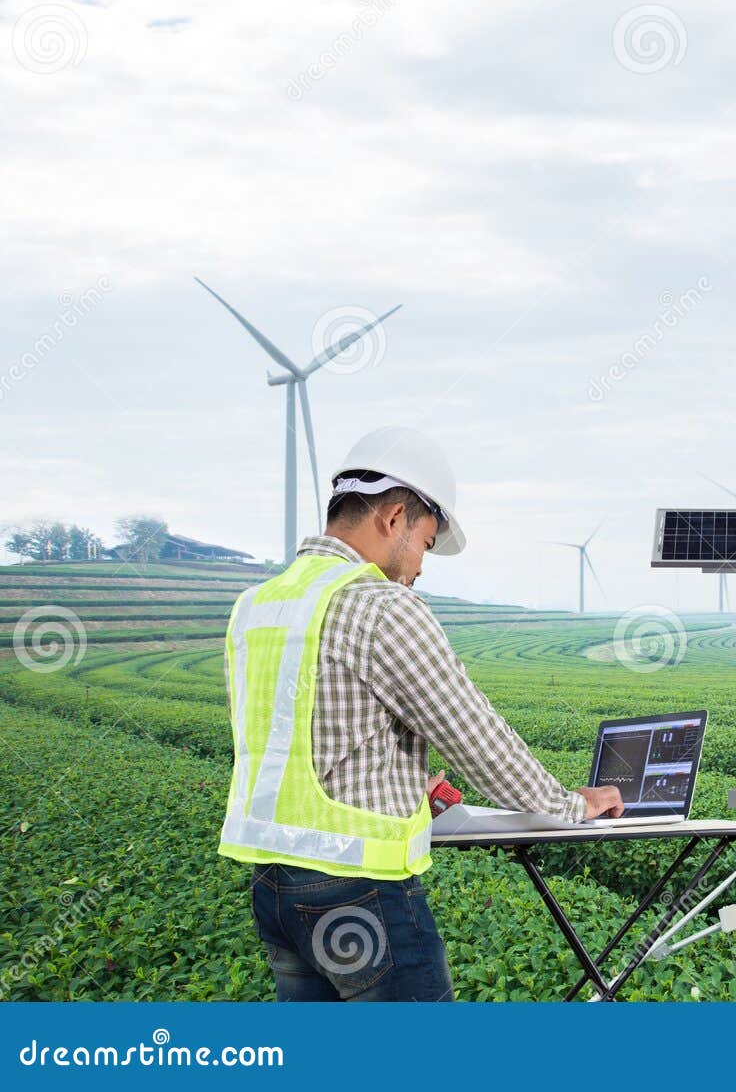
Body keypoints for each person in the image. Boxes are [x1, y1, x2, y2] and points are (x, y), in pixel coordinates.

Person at [217, 425, 623, 1001]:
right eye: (426, 544)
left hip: (274, 888)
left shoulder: (256, 606)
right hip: (358, 891)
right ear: (393, 517)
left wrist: (402, 783)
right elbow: (477, 740)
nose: (421, 568)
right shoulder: (380, 605)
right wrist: (569, 805)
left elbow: (289, 737)